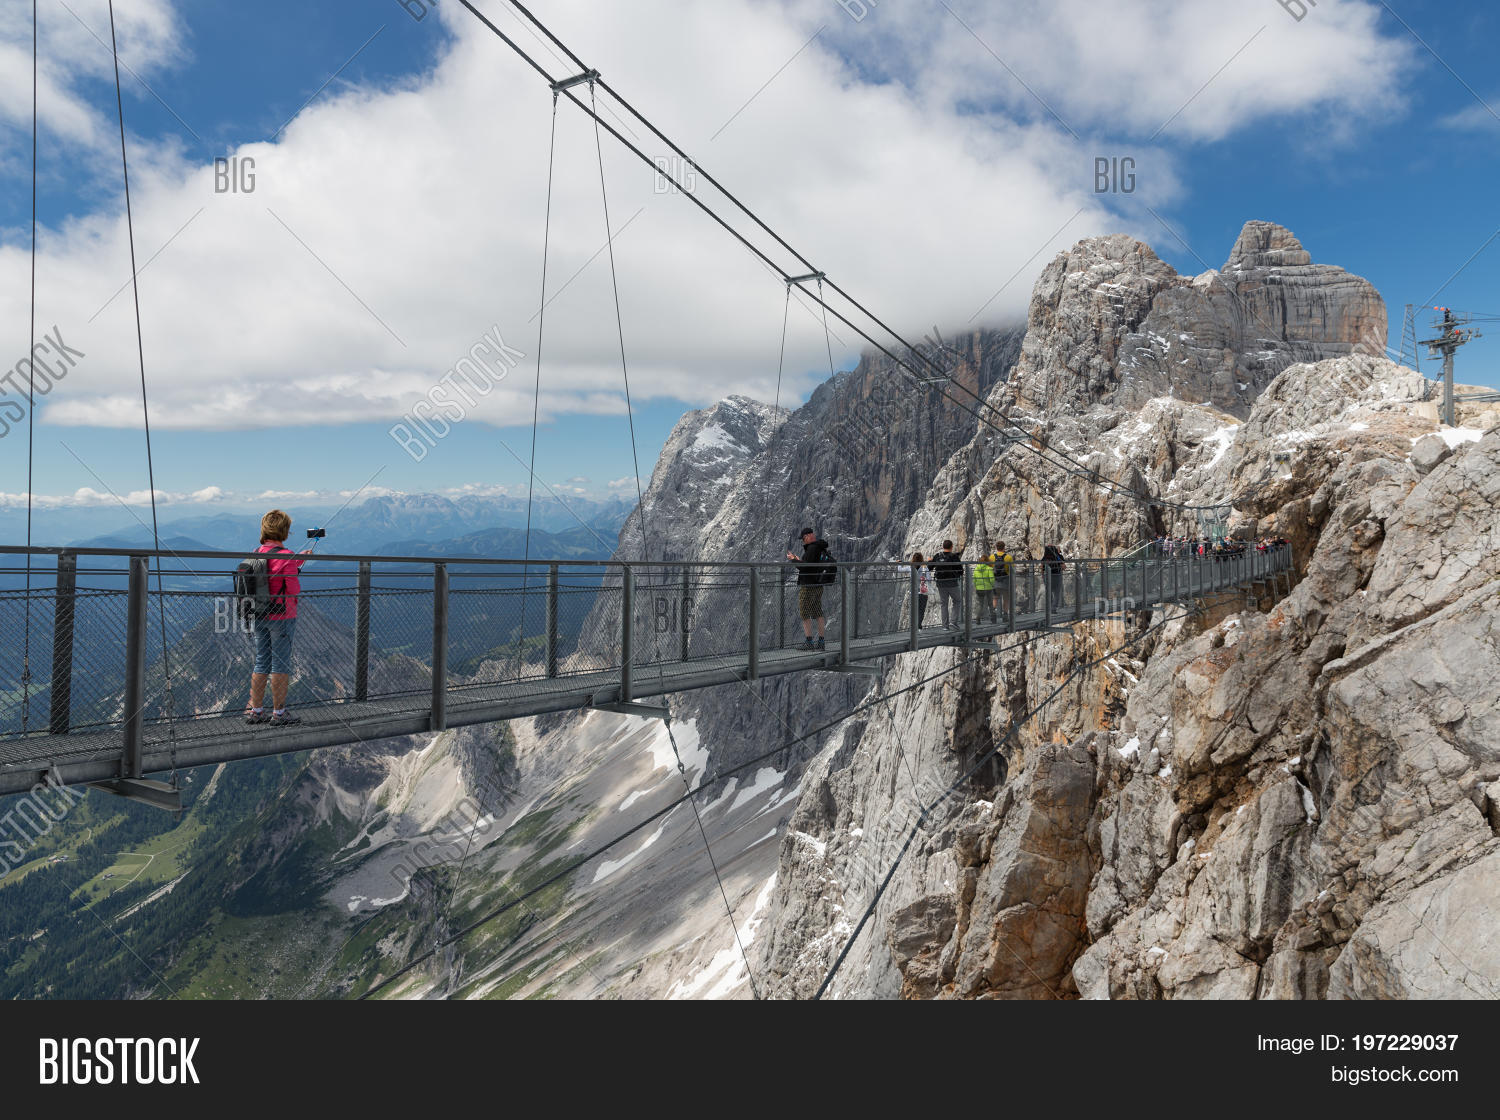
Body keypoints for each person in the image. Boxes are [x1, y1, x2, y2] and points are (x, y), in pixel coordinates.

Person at [245, 509, 310, 726]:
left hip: (258, 614)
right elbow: (293, 589)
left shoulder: (256, 553)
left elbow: (270, 573)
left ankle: (256, 711)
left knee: (261, 660)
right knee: (280, 663)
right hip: (282, 616)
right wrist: (294, 566)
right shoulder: (287, 557)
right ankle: (279, 714)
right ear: (284, 531)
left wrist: (295, 562)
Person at [786, 527, 830, 650]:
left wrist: (794, 560)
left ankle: (809, 642)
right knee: (818, 612)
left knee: (804, 612)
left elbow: (805, 568)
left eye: (804, 538)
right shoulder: (819, 547)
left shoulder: (812, 548)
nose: (803, 541)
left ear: (806, 537)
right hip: (818, 584)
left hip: (809, 585)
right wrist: (799, 560)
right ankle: (821, 642)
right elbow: (810, 564)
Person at [931, 539, 964, 630]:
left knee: (944, 604)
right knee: (957, 601)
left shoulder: (938, 556)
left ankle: (945, 626)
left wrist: (930, 561)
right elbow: (961, 571)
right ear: (951, 547)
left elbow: (930, 567)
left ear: (943, 546)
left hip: (940, 583)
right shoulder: (954, 557)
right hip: (952, 582)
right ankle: (953, 622)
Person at [896, 551, 930, 628]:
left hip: (914, 591)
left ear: (913, 559)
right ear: (921, 559)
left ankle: (913, 626)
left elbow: (900, 570)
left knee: (914, 609)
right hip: (923, 591)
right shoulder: (924, 567)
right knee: (921, 609)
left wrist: (899, 563)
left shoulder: (910, 567)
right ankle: (919, 625)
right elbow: (928, 579)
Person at [972, 545, 997, 624]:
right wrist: (992, 585)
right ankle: (993, 618)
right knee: (990, 603)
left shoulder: (976, 569)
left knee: (980, 604)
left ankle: (978, 618)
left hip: (979, 589)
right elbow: (991, 579)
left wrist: (976, 586)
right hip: (988, 588)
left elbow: (974, 579)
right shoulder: (989, 569)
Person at [1042, 542, 1067, 611]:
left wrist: (1042, 576)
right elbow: (1064, 567)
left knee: (1049, 593)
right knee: (1057, 593)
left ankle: (1049, 607)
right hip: (1057, 576)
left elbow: (1042, 567)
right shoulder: (1058, 557)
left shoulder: (1045, 557)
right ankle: (1054, 608)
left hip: (1046, 577)